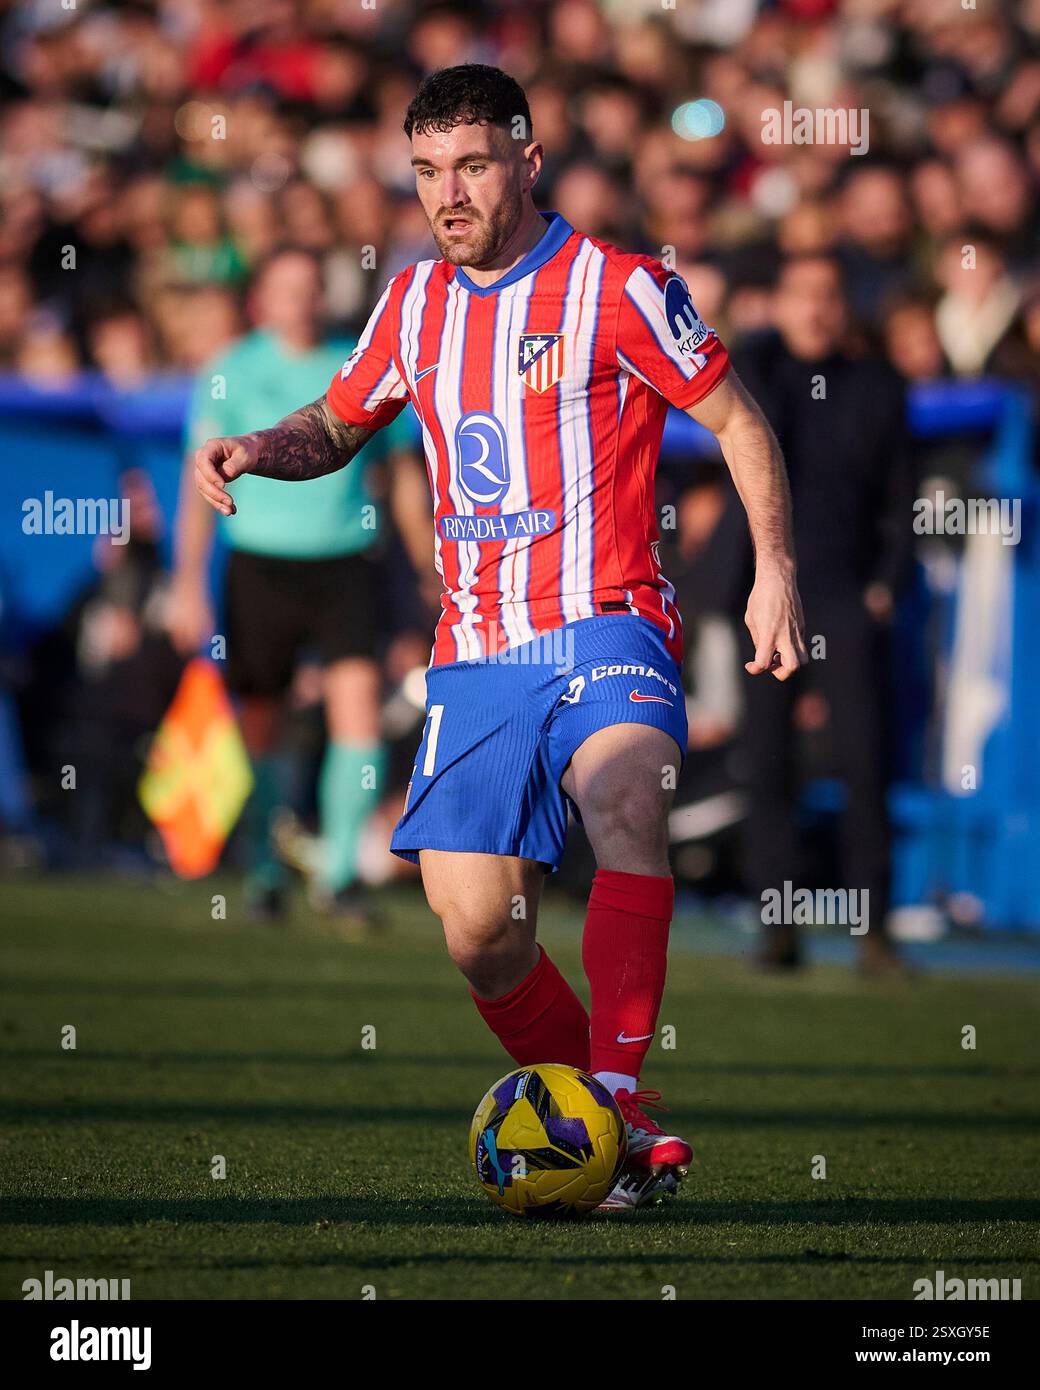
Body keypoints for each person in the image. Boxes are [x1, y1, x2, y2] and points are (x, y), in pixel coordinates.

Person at [188, 65, 806, 1211]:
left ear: (526, 161)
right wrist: (255, 449)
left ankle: (610, 1097)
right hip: (477, 651)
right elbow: (337, 422)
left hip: (606, 621)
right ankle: (619, 1131)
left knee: (626, 795)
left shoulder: (616, 287)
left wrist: (773, 571)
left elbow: (738, 419)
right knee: (478, 930)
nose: (447, 194)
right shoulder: (413, 302)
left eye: (470, 165)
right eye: (425, 171)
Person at [169, 244, 429, 925]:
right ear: (261, 300)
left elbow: (400, 477)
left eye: (310, 285)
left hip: (344, 562)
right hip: (259, 564)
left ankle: (338, 874)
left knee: (359, 711)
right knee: (262, 722)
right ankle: (263, 870)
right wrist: (188, 581)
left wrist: (429, 562)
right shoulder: (230, 370)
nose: (300, 300)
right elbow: (197, 485)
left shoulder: (359, 363)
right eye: (285, 287)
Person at [730, 253, 915, 975]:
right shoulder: (759, 373)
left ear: (846, 307)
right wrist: (757, 338)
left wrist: (883, 589)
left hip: (843, 595)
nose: (814, 309)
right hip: (763, 595)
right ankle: (777, 928)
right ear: (776, 302)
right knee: (768, 764)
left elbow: (903, 502)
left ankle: (874, 930)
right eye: (799, 294)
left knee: (865, 761)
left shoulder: (878, 386)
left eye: (828, 296)